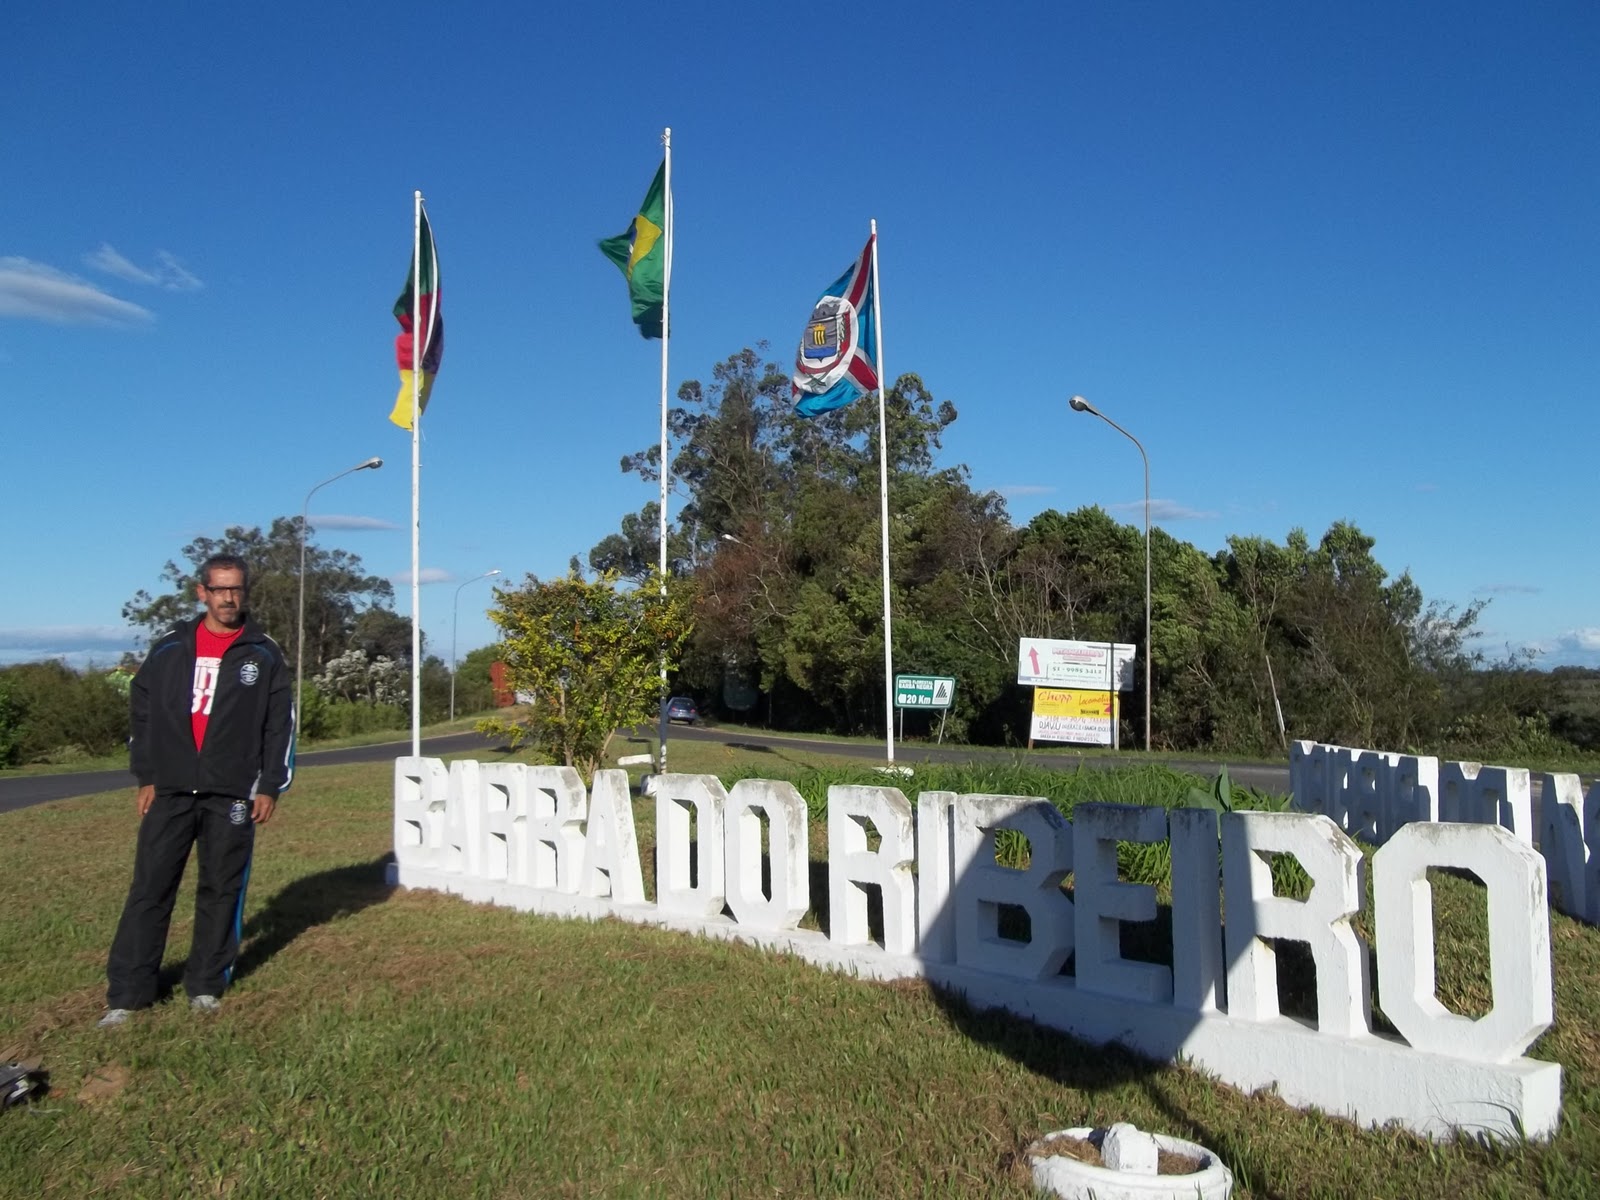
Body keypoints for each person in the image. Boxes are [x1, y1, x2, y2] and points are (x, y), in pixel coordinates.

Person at [100, 554, 294, 1026]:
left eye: (236, 589)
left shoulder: (263, 652)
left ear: (245, 592)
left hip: (232, 793)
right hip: (169, 790)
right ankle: (128, 995)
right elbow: (142, 712)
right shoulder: (170, 647)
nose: (229, 598)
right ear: (201, 592)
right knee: (150, 889)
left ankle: (205, 985)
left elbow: (280, 725)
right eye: (220, 589)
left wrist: (270, 785)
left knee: (221, 889)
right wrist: (147, 775)